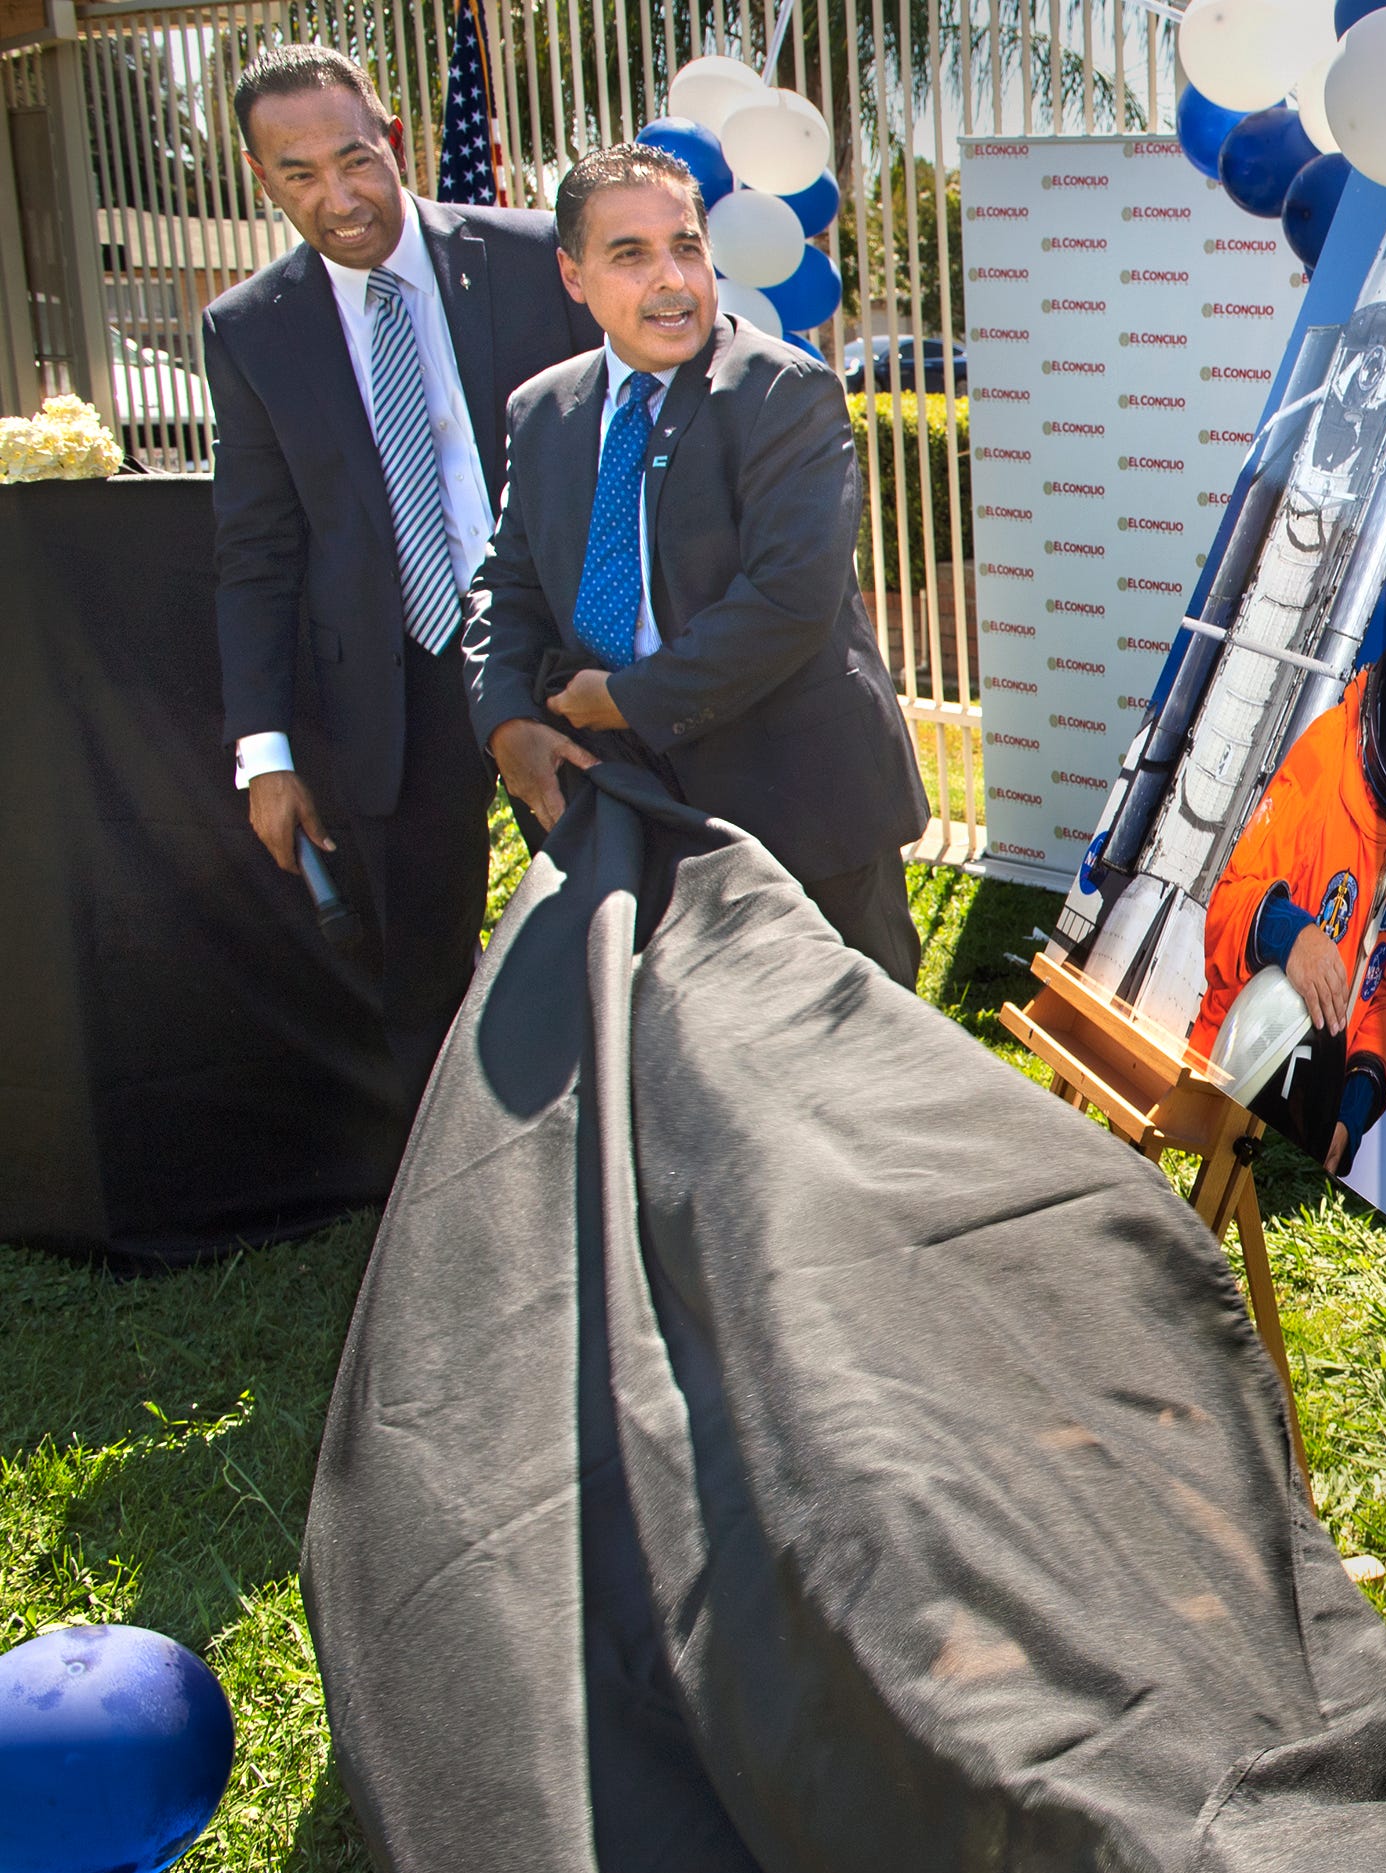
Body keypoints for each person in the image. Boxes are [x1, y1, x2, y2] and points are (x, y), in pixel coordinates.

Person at [206, 44, 599, 1111]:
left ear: (393, 138)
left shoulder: (530, 260)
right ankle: (446, 1209)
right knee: (421, 968)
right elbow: (256, 553)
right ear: (261, 179)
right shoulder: (247, 330)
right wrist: (266, 754)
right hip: (392, 690)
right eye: (299, 176)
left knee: (618, 923)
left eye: (355, 158)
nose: (339, 199)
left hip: (557, 659)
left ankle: (634, 1163)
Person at [465, 144, 928, 984]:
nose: (672, 279)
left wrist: (626, 700)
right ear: (573, 276)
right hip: (635, 812)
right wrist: (505, 720)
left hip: (802, 807)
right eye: (630, 254)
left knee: (850, 1079)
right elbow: (510, 584)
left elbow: (789, 600)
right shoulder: (541, 411)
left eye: (685, 246)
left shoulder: (784, 391)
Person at [1189, 519, 1386, 1175]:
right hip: (1232, 1077)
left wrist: (1351, 1116)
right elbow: (1229, 903)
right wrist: (1291, 934)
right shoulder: (1331, 748)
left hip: (1312, 1114)